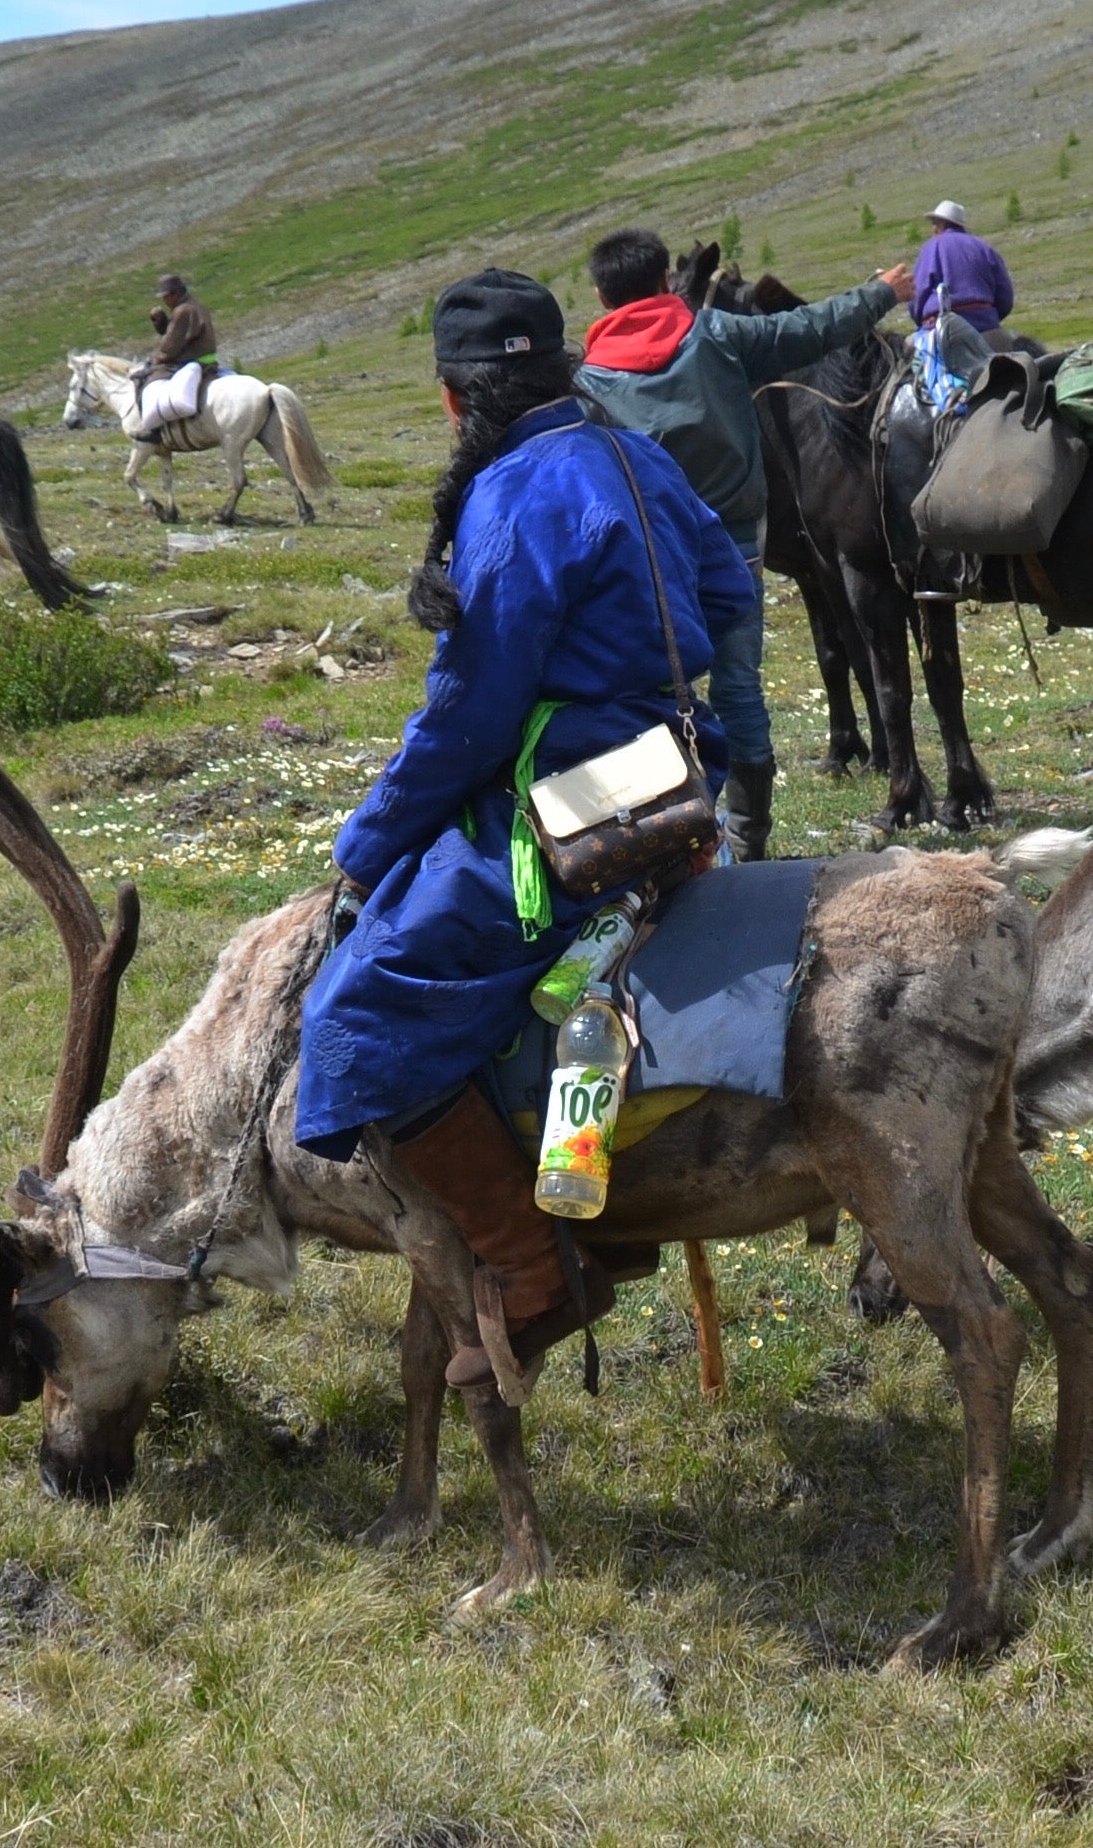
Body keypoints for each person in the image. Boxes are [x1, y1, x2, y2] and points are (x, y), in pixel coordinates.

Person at [295, 267, 762, 1378]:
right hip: (675, 770)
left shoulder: (513, 493)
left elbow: (470, 713)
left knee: (356, 1007)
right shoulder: (633, 453)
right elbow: (731, 593)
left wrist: (364, 847)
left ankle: (535, 1267)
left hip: (571, 802)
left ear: (456, 401)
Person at [566, 226, 908, 857]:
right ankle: (749, 839)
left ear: (600, 294)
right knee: (738, 686)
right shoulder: (717, 337)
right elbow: (811, 329)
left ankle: (665, 835)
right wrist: (879, 293)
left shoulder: (589, 381)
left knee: (653, 692)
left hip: (646, 556)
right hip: (731, 547)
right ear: (664, 281)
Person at [910, 200, 1014, 336]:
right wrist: (991, 317)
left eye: (935, 223)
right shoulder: (984, 247)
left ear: (943, 223)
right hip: (986, 324)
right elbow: (1005, 294)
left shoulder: (931, 247)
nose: (933, 228)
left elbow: (919, 292)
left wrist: (919, 318)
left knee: (908, 352)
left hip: (940, 326)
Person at [135, 269, 219, 436]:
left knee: (148, 379)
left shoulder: (183, 310)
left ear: (174, 294)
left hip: (192, 360)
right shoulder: (195, 305)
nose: (165, 301)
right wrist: (161, 321)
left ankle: (152, 431)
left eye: (166, 296)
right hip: (205, 359)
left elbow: (171, 344)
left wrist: (155, 360)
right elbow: (176, 333)